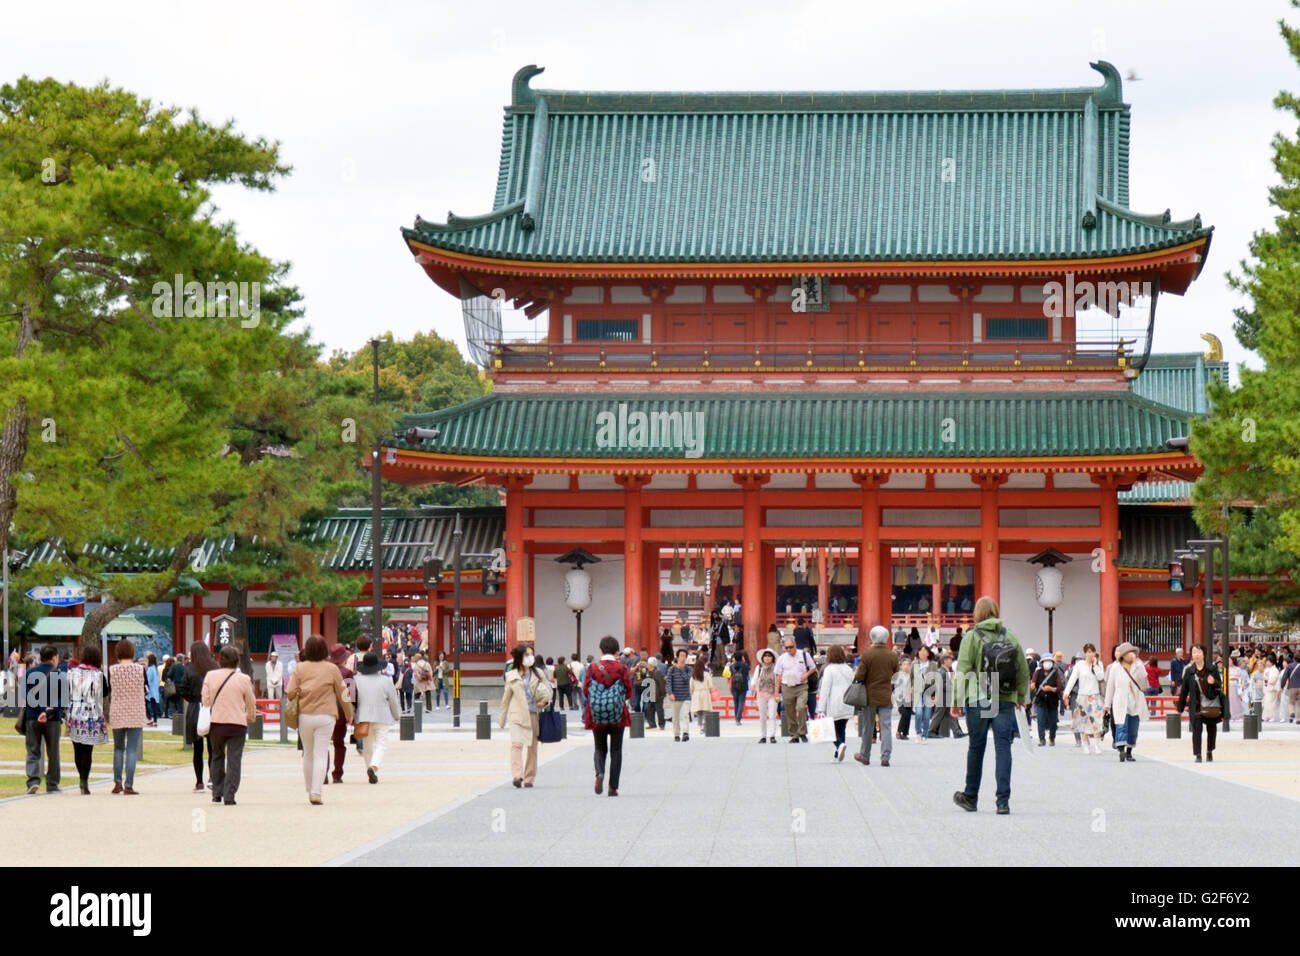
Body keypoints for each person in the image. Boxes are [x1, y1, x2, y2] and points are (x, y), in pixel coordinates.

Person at [951, 596, 1029, 815]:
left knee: (976, 747)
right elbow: (1022, 670)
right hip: (1004, 697)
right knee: (1003, 747)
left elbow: (964, 671)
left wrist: (956, 701)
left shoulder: (971, 637)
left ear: (977, 614)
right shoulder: (1010, 636)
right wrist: (1021, 696)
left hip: (979, 698)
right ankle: (1003, 802)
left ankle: (970, 797)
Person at [287, 636, 354, 805]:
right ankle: (316, 791)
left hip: (305, 715)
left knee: (308, 753)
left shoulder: (299, 668)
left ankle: (310, 787)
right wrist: (348, 712)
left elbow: (289, 692)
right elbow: (343, 692)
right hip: (326, 714)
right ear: (325, 650)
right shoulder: (332, 668)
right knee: (321, 753)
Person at [201, 645, 256, 806]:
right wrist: (250, 716)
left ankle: (217, 792)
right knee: (234, 759)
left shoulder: (210, 676)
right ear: (237, 661)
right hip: (237, 723)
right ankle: (229, 794)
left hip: (217, 722)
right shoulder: (244, 679)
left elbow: (206, 701)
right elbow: (250, 702)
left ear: (220, 659)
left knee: (217, 756)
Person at [585, 635, 633, 796]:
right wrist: (616, 700)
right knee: (616, 750)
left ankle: (599, 772)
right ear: (616, 651)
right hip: (617, 715)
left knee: (599, 747)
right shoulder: (622, 669)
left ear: (601, 650)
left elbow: (586, 690)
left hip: (597, 714)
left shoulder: (592, 668)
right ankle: (613, 787)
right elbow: (629, 691)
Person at [499, 643, 552, 787]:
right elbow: (506, 698)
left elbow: (549, 691)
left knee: (531, 747)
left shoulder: (538, 673)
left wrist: (545, 702)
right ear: (519, 657)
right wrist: (502, 719)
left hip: (533, 713)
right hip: (516, 715)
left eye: (531, 654)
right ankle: (517, 775)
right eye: (526, 655)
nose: (530, 657)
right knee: (516, 744)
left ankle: (529, 777)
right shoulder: (511, 675)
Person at [854, 625, 900, 766]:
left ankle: (865, 755)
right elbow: (896, 677)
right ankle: (885, 757)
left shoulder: (867, 655)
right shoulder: (892, 655)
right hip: (886, 694)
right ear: (886, 638)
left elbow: (859, 676)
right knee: (886, 727)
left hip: (870, 695)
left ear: (872, 638)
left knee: (868, 726)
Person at [107, 640, 148, 795]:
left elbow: (110, 690)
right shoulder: (140, 669)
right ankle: (129, 784)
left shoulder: (112, 669)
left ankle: (117, 782)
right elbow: (145, 689)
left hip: (117, 711)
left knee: (118, 749)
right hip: (135, 712)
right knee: (131, 749)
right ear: (132, 652)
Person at [66, 644, 109, 795]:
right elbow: (105, 693)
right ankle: (85, 779)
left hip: (74, 714)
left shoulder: (72, 672)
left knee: (77, 749)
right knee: (88, 750)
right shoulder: (98, 674)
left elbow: (66, 691)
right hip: (92, 715)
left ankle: (81, 778)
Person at [353, 652, 401, 783]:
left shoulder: (356, 680)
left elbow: (352, 700)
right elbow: (393, 700)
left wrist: (352, 716)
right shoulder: (385, 680)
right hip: (382, 715)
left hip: (363, 716)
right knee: (381, 743)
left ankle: (369, 766)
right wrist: (397, 715)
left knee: (367, 745)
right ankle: (374, 767)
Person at [24, 645, 64, 794]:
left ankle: (33, 780)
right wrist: (48, 712)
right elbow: (63, 700)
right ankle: (52, 784)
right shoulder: (60, 675)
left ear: (40, 658)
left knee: (33, 750)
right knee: (53, 752)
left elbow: (27, 696)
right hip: (52, 719)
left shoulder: (30, 673)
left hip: (32, 717)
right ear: (54, 658)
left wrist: (40, 711)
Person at [1176, 643, 1224, 763]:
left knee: (1211, 729)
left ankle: (1209, 751)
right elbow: (1184, 691)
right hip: (1196, 705)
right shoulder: (1189, 671)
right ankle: (1198, 754)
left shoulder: (1212, 669)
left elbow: (1220, 685)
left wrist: (1214, 682)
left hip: (1211, 703)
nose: (1196, 655)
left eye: (1198, 652)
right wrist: (1180, 707)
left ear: (1204, 654)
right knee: (1196, 730)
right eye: (1194, 652)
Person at [182, 643, 218, 792]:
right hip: (212, 708)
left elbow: (182, 688)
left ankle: (199, 783)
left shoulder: (189, 668)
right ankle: (212, 778)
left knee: (197, 748)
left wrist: (191, 698)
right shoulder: (215, 667)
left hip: (196, 707)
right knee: (213, 747)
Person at [1104, 642, 1146, 763]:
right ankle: (1121, 750)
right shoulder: (1115, 667)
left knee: (1133, 727)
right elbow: (1110, 686)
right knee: (1121, 725)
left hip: (1134, 701)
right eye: (1128, 653)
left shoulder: (1137, 666)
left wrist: (1138, 662)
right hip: (1120, 700)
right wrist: (1107, 704)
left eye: (1132, 652)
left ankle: (1129, 752)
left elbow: (1144, 678)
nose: (1130, 655)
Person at [1063, 644, 1107, 754]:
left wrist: (1095, 665)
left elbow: (1101, 677)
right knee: (1084, 721)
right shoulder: (1079, 665)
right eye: (1087, 652)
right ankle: (1085, 745)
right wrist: (1066, 692)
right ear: (1084, 653)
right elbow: (1073, 679)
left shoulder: (1098, 664)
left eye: (1092, 652)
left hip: (1095, 696)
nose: (1090, 654)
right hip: (1082, 696)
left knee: (1096, 721)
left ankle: (1097, 745)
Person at [817, 644, 856, 761]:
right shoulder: (849, 669)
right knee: (841, 728)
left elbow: (825, 689)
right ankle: (837, 754)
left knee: (831, 730)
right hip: (848, 701)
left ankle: (839, 745)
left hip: (835, 702)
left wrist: (821, 708)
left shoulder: (829, 669)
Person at [774, 637, 816, 742]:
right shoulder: (782, 658)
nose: (789, 650)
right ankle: (794, 734)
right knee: (790, 711)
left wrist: (806, 675)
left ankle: (802, 732)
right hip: (787, 686)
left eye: (791, 647)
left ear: (795, 645)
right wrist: (776, 692)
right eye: (786, 648)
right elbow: (778, 675)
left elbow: (813, 667)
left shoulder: (804, 655)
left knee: (801, 707)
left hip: (801, 686)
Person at [1030, 658, 1062, 746]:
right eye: (1045, 661)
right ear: (1042, 663)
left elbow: (1059, 687)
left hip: (1053, 700)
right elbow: (1033, 683)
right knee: (1040, 720)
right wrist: (1032, 686)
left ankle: (1052, 738)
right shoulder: (1038, 672)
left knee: (1053, 721)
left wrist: (1051, 689)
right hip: (1041, 700)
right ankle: (1042, 739)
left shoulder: (1055, 673)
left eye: (1049, 661)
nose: (1047, 663)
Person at [912, 644, 939, 740]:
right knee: (918, 712)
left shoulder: (933, 665)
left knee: (927, 715)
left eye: (924, 651)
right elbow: (911, 677)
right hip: (917, 691)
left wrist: (936, 694)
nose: (922, 653)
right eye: (920, 651)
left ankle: (925, 734)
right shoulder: (914, 663)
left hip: (929, 691)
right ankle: (918, 732)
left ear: (928, 653)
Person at [666, 649, 693, 742]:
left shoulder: (688, 669)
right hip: (675, 696)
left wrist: (681, 669)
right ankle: (676, 734)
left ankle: (685, 733)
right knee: (675, 717)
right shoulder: (671, 669)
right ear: (677, 657)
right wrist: (670, 693)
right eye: (681, 655)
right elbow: (668, 682)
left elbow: (687, 679)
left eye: (684, 656)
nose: (683, 658)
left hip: (686, 696)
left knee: (685, 715)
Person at [690, 655, 713, 732]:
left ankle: (700, 727)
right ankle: (705, 725)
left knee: (699, 712)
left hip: (697, 694)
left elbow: (691, 687)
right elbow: (710, 686)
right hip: (705, 693)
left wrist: (694, 692)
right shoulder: (706, 675)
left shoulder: (693, 676)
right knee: (706, 710)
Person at [892, 658, 913, 740]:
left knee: (908, 714)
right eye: (904, 664)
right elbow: (895, 687)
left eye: (908, 664)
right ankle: (898, 731)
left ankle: (905, 733)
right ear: (901, 666)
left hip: (909, 697)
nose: (906, 666)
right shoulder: (897, 675)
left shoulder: (911, 675)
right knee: (904, 713)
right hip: (900, 698)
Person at [728, 650, 750, 726]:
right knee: (741, 702)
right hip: (743, 684)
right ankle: (738, 718)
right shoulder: (745, 665)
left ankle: (736, 718)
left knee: (736, 702)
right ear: (742, 657)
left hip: (734, 685)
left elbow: (730, 674)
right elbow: (747, 673)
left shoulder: (731, 666)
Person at [1263, 654, 1282, 722]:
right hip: (1267, 688)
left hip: (1272, 688)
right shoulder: (1266, 669)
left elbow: (1274, 679)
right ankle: (1267, 716)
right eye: (1266, 661)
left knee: (1271, 703)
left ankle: (1272, 716)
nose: (1267, 663)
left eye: (1268, 661)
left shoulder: (1275, 670)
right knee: (1267, 703)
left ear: (1272, 662)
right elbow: (1264, 679)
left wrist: (1268, 678)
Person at [144, 653, 161, 727]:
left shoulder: (150, 669)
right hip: (155, 690)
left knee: (148, 705)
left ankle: (151, 720)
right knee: (154, 705)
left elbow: (148, 679)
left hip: (150, 690)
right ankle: (153, 720)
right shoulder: (155, 668)